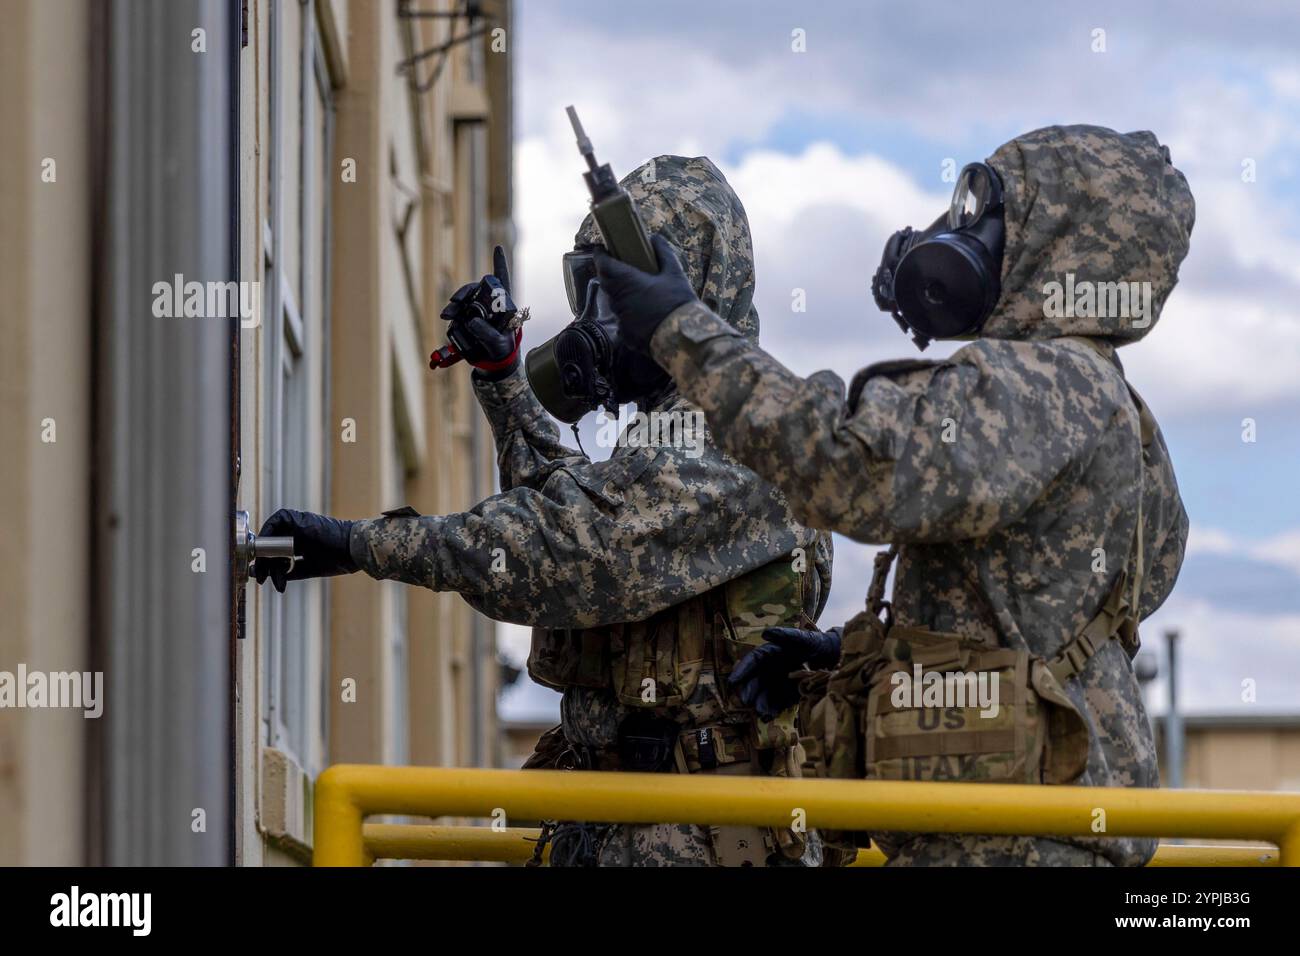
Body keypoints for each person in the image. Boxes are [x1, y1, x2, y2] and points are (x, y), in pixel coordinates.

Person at [594, 125, 1194, 866]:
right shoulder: (1112, 404)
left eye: (989, 211)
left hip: (1014, 842)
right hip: (1039, 827)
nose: (961, 229)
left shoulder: (1037, 383)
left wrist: (681, 332)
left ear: (1060, 235)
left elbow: (848, 471)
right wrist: (858, 658)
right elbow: (1035, 612)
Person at [255, 155, 833, 867]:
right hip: (617, 823)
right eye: (589, 290)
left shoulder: (750, 436)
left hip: (710, 834)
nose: (598, 319)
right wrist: (504, 382)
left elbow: (570, 551)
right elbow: (582, 516)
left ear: (696, 290)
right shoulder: (669, 436)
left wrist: (359, 545)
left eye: (619, 291)